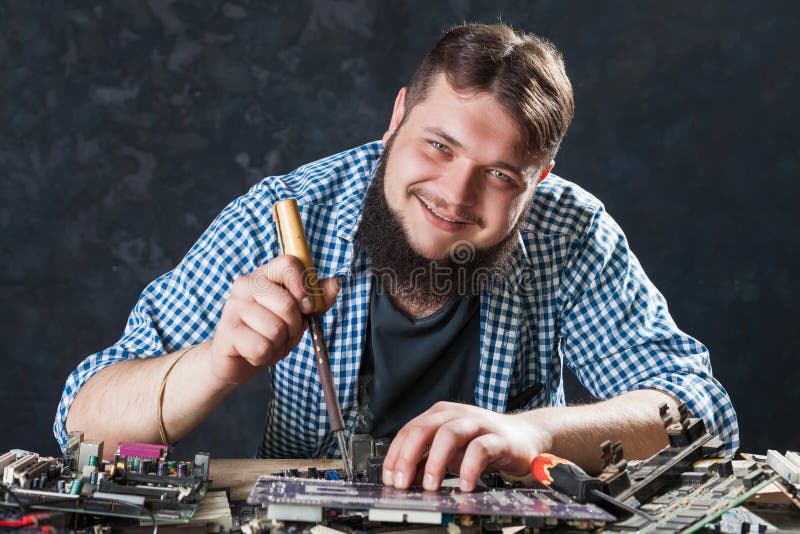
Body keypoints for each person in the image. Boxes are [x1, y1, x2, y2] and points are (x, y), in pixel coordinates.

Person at [55, 23, 738, 493]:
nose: (455, 194)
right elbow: (81, 426)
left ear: (542, 180)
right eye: (438, 146)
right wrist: (214, 364)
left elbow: (701, 416)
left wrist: (527, 433)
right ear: (396, 118)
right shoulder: (289, 212)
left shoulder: (572, 233)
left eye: (501, 175)